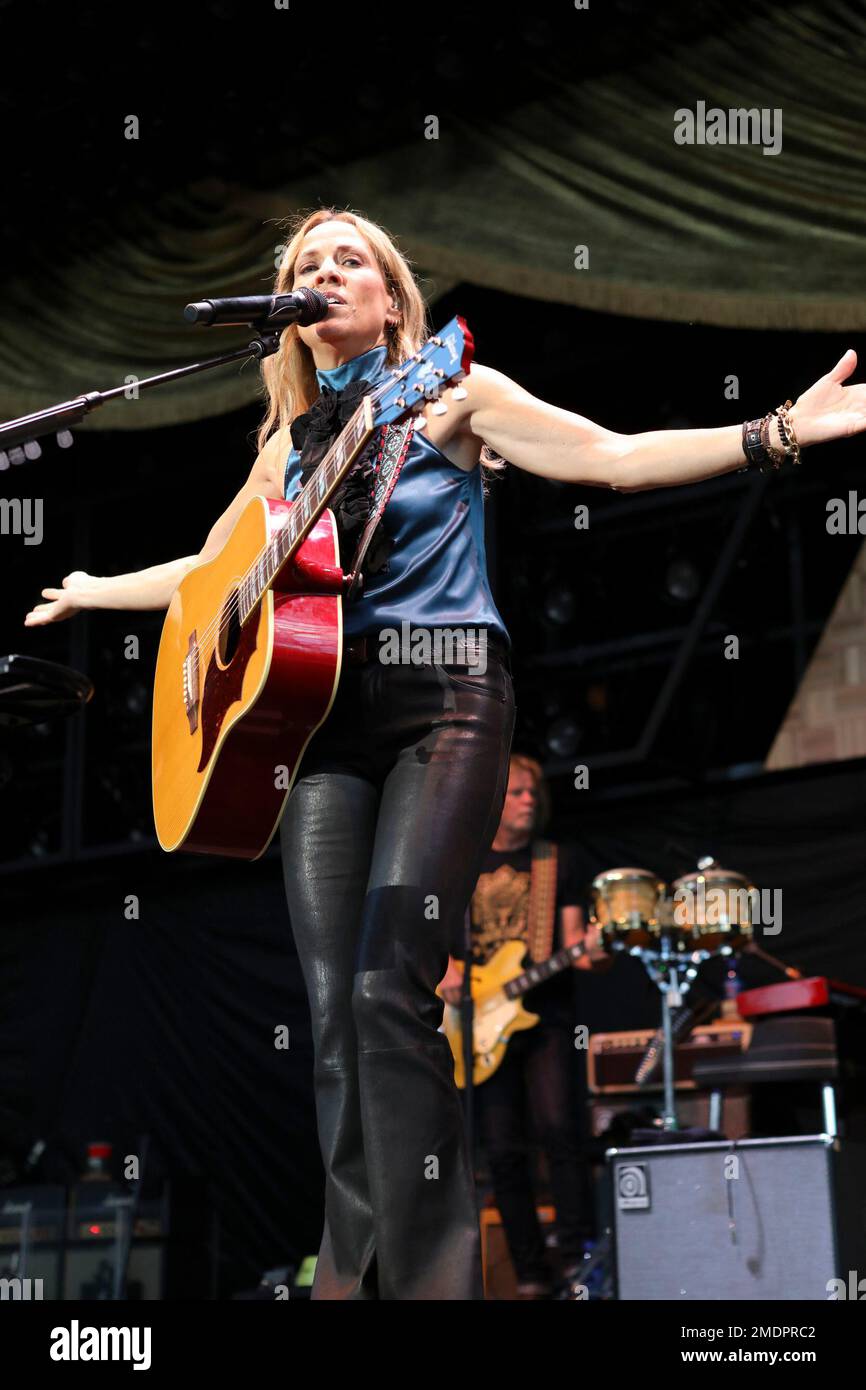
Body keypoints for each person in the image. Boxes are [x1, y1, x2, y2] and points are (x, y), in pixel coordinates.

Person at [23, 206, 866, 1300]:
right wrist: (99, 590)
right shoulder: (287, 448)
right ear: (287, 315)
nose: (325, 272)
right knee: (332, 1020)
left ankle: (426, 1290)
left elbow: (610, 458)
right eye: (304, 265)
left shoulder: (450, 394)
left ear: (387, 299)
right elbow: (211, 570)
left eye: (349, 260)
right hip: (323, 726)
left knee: (387, 987)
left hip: (446, 702)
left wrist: (774, 432)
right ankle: (350, 1279)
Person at [439, 752, 604, 1298]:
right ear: (492, 798)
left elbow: (577, 947)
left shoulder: (559, 861)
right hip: (478, 1022)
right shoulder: (461, 861)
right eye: (517, 792)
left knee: (561, 1131)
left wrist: (598, 949)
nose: (529, 800)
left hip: (544, 1015)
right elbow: (434, 934)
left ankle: (581, 1256)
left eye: (535, 793)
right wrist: (449, 970)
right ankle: (530, 1273)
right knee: (502, 1149)